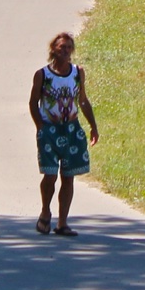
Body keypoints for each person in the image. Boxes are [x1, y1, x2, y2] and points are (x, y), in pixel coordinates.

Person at [28, 31, 97, 235]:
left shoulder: (77, 72)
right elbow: (33, 102)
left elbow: (82, 100)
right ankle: (45, 212)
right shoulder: (43, 75)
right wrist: (40, 126)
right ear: (53, 50)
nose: (65, 51)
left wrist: (93, 125)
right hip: (49, 129)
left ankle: (62, 223)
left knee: (68, 177)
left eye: (68, 47)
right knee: (50, 175)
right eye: (61, 47)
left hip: (71, 130)